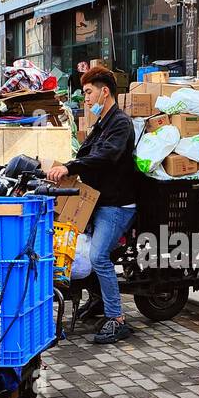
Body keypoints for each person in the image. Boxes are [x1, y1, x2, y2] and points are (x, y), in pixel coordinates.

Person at [46, 65, 139, 344]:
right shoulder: (101, 124)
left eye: (88, 92)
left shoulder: (120, 124)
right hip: (97, 201)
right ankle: (97, 300)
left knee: (98, 256)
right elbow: (87, 154)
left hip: (117, 206)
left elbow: (106, 157)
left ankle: (117, 319)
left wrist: (70, 166)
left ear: (104, 92)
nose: (85, 98)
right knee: (74, 247)